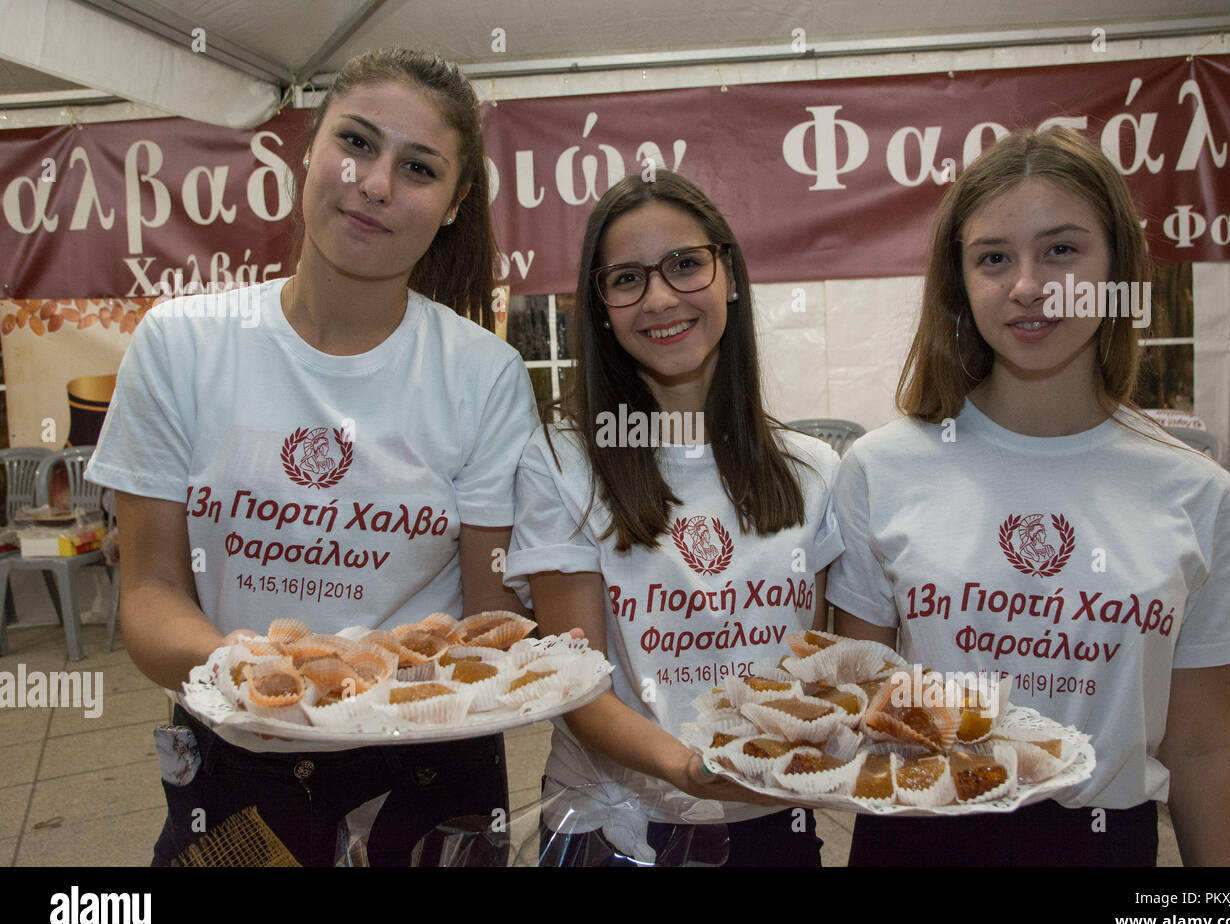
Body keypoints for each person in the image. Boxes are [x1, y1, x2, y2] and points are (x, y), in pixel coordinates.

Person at [86, 49, 538, 867]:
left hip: (429, 767)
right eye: (356, 143)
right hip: (233, 759)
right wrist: (248, 661)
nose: (373, 183)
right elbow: (150, 592)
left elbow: (488, 617)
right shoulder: (181, 345)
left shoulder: (484, 376)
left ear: (454, 203)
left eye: (419, 168)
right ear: (308, 148)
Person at [828, 126, 1230, 866]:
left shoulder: (1194, 492)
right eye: (993, 258)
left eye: (1063, 249)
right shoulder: (883, 468)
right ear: (961, 281)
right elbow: (863, 708)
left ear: (1117, 267)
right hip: (917, 839)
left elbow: (1201, 749)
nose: (1027, 285)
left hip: (1102, 845)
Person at [505, 170, 844, 866]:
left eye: (686, 265)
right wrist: (691, 768)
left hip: (773, 816)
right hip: (611, 827)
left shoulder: (813, 471)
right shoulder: (560, 462)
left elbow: (817, 670)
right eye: (626, 279)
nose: (660, 297)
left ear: (731, 277)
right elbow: (576, 684)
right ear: (600, 306)